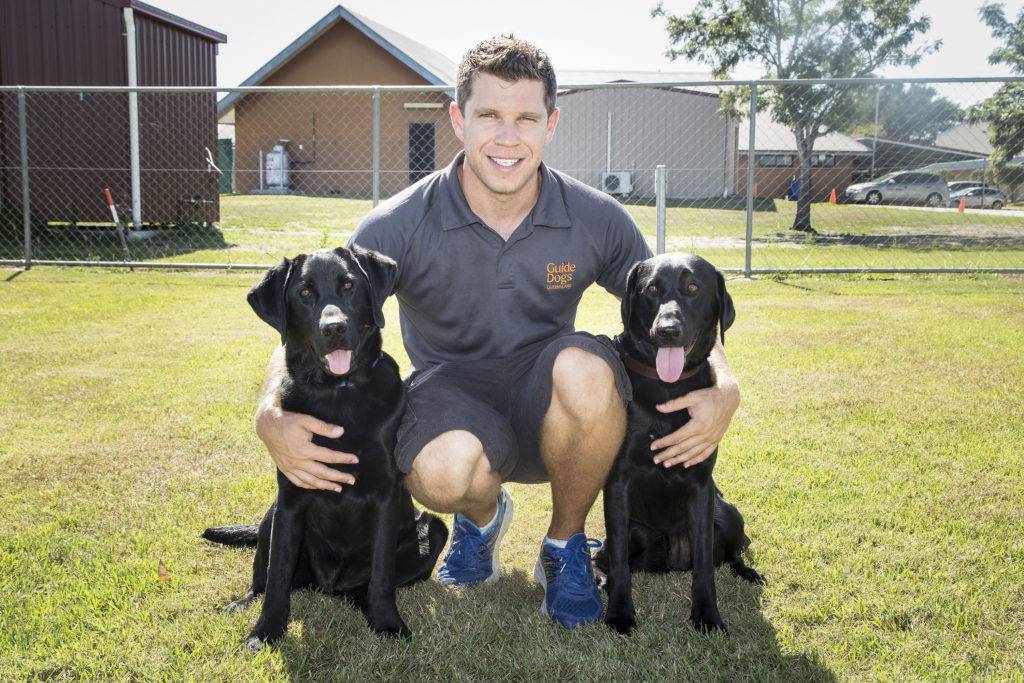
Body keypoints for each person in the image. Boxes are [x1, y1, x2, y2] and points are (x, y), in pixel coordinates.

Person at [253, 35, 740, 629]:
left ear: (550, 124)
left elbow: (675, 305)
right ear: (459, 119)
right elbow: (308, 317)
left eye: (526, 118)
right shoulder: (398, 222)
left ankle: (564, 548)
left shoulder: (595, 217)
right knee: (440, 467)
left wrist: (725, 386)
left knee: (588, 369)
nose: (507, 138)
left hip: (552, 405)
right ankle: (481, 523)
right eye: (488, 115)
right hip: (450, 393)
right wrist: (270, 412)